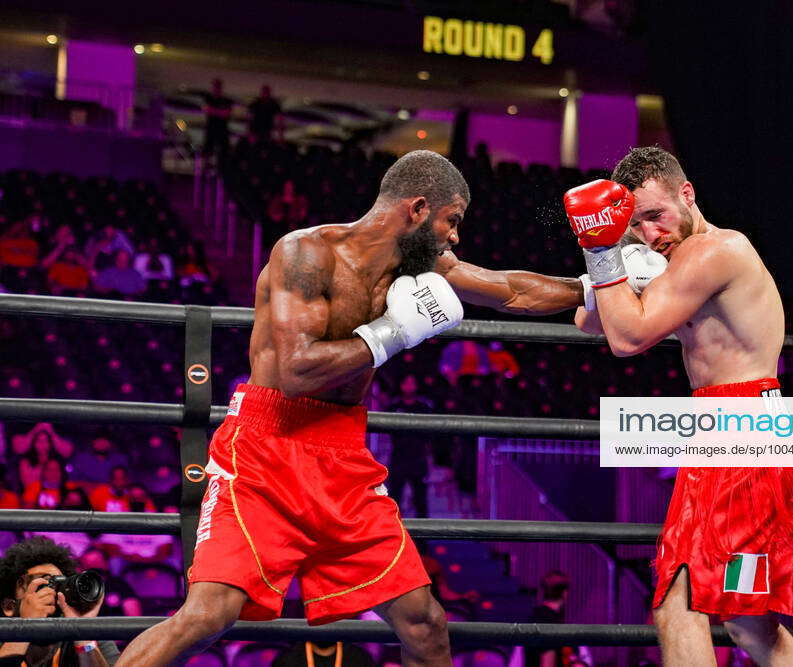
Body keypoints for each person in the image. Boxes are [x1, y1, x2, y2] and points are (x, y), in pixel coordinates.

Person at [115, 150, 587, 667]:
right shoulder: (305, 253)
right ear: (418, 209)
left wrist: (600, 286)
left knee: (425, 624)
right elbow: (297, 371)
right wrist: (392, 334)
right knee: (208, 614)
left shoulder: (422, 266)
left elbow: (510, 291)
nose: (455, 237)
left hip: (341, 455)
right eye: (451, 222)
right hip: (264, 448)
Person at [566, 146, 793, 666]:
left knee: (676, 606)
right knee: (749, 626)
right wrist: (619, 266)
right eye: (635, 224)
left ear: (686, 194)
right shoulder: (674, 258)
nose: (649, 233)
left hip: (743, 432)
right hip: (729, 430)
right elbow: (590, 321)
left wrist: (601, 253)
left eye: (656, 215)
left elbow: (627, 338)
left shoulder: (715, 251)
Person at [0, 536, 118, 666]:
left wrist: (83, 636)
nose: (52, 594)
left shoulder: (91, 638)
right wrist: (26, 627)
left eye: (58, 583)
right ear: (9, 607)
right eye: (43, 585)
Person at [385, 375, 434, 517]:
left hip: (418, 458)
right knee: (394, 499)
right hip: (398, 458)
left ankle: (422, 538)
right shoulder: (393, 407)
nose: (409, 386)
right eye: (405, 383)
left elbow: (430, 435)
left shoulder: (424, 407)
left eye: (412, 383)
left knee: (421, 500)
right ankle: (393, 536)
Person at [201, 79, 233, 166]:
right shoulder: (208, 99)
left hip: (222, 129)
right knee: (208, 149)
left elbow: (226, 113)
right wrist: (220, 112)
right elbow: (206, 110)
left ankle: (221, 165)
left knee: (223, 150)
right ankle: (206, 166)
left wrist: (214, 111)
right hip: (211, 128)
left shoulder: (226, 100)